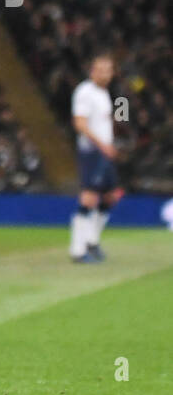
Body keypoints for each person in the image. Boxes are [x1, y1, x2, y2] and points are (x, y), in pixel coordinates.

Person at [70, 54, 122, 263]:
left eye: (108, 70)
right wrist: (103, 145)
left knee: (110, 196)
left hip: (104, 152)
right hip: (92, 152)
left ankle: (92, 241)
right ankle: (77, 250)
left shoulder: (104, 93)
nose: (104, 74)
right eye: (100, 70)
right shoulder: (85, 92)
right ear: (92, 71)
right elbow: (80, 124)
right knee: (89, 198)